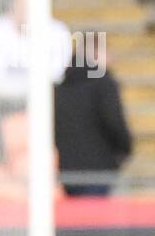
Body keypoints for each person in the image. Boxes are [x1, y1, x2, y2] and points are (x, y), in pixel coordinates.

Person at [54, 59, 134, 197]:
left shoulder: (60, 89)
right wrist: (125, 148)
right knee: (95, 216)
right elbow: (113, 120)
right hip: (99, 168)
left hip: (67, 170)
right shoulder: (104, 84)